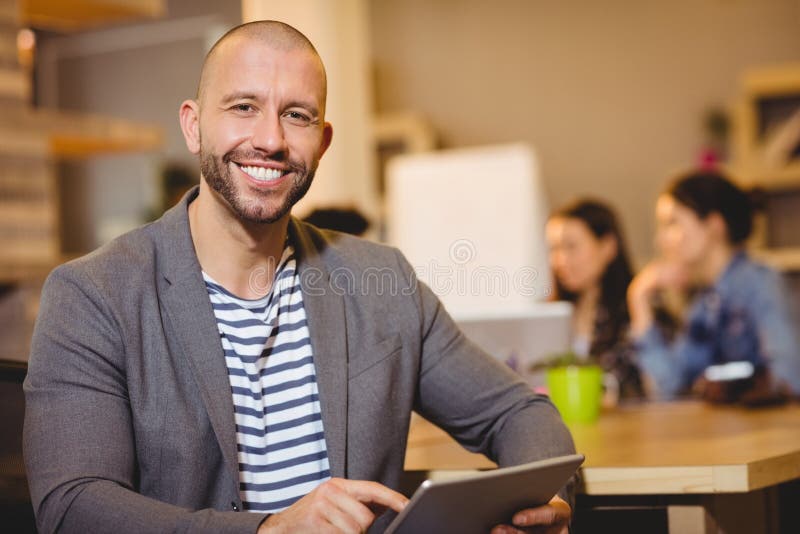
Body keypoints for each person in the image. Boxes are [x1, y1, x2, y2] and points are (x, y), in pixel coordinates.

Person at [23, 21, 576, 534]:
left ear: (323, 141)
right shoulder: (93, 295)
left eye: (297, 115)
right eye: (243, 106)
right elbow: (73, 506)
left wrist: (542, 501)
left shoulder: (382, 281)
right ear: (193, 126)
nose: (271, 140)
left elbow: (519, 412)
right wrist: (268, 530)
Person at [627, 170, 800, 401]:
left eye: (672, 223)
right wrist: (639, 298)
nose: (661, 239)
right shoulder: (705, 302)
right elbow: (667, 386)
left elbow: (789, 379)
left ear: (714, 226)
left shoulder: (760, 284)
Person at [545, 200, 643, 400]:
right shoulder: (546, 314)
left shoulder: (637, 311)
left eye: (571, 247)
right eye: (554, 248)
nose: (560, 260)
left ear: (608, 246)